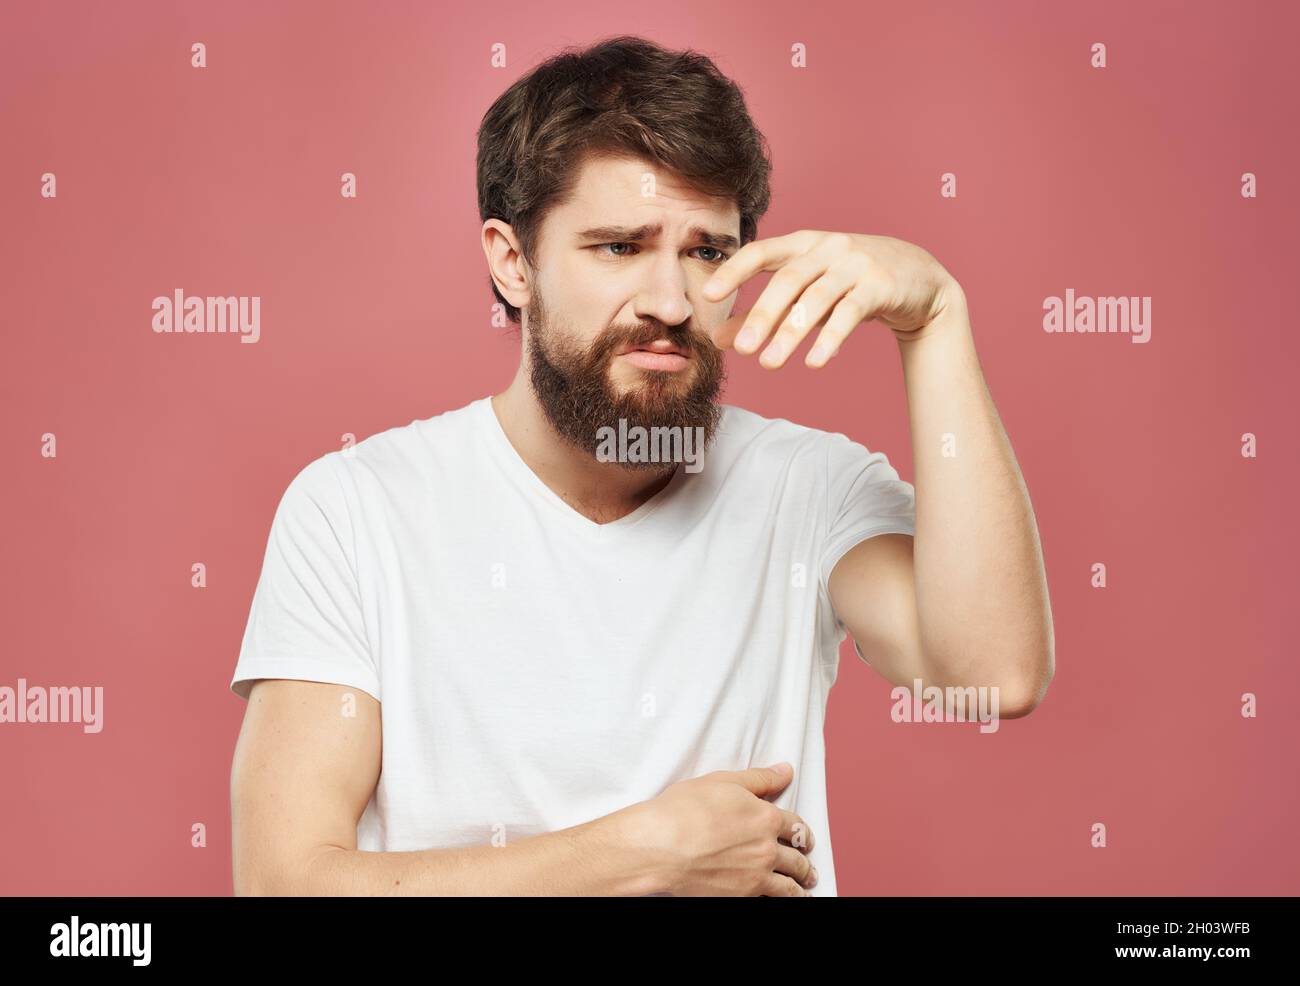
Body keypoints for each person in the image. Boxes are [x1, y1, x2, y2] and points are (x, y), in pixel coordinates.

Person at [229, 35, 1054, 897]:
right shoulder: (356, 510)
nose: (669, 303)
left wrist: (936, 320)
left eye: (706, 252)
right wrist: (638, 857)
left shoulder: (805, 490)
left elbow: (993, 675)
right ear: (513, 263)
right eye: (620, 246)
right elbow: (285, 885)